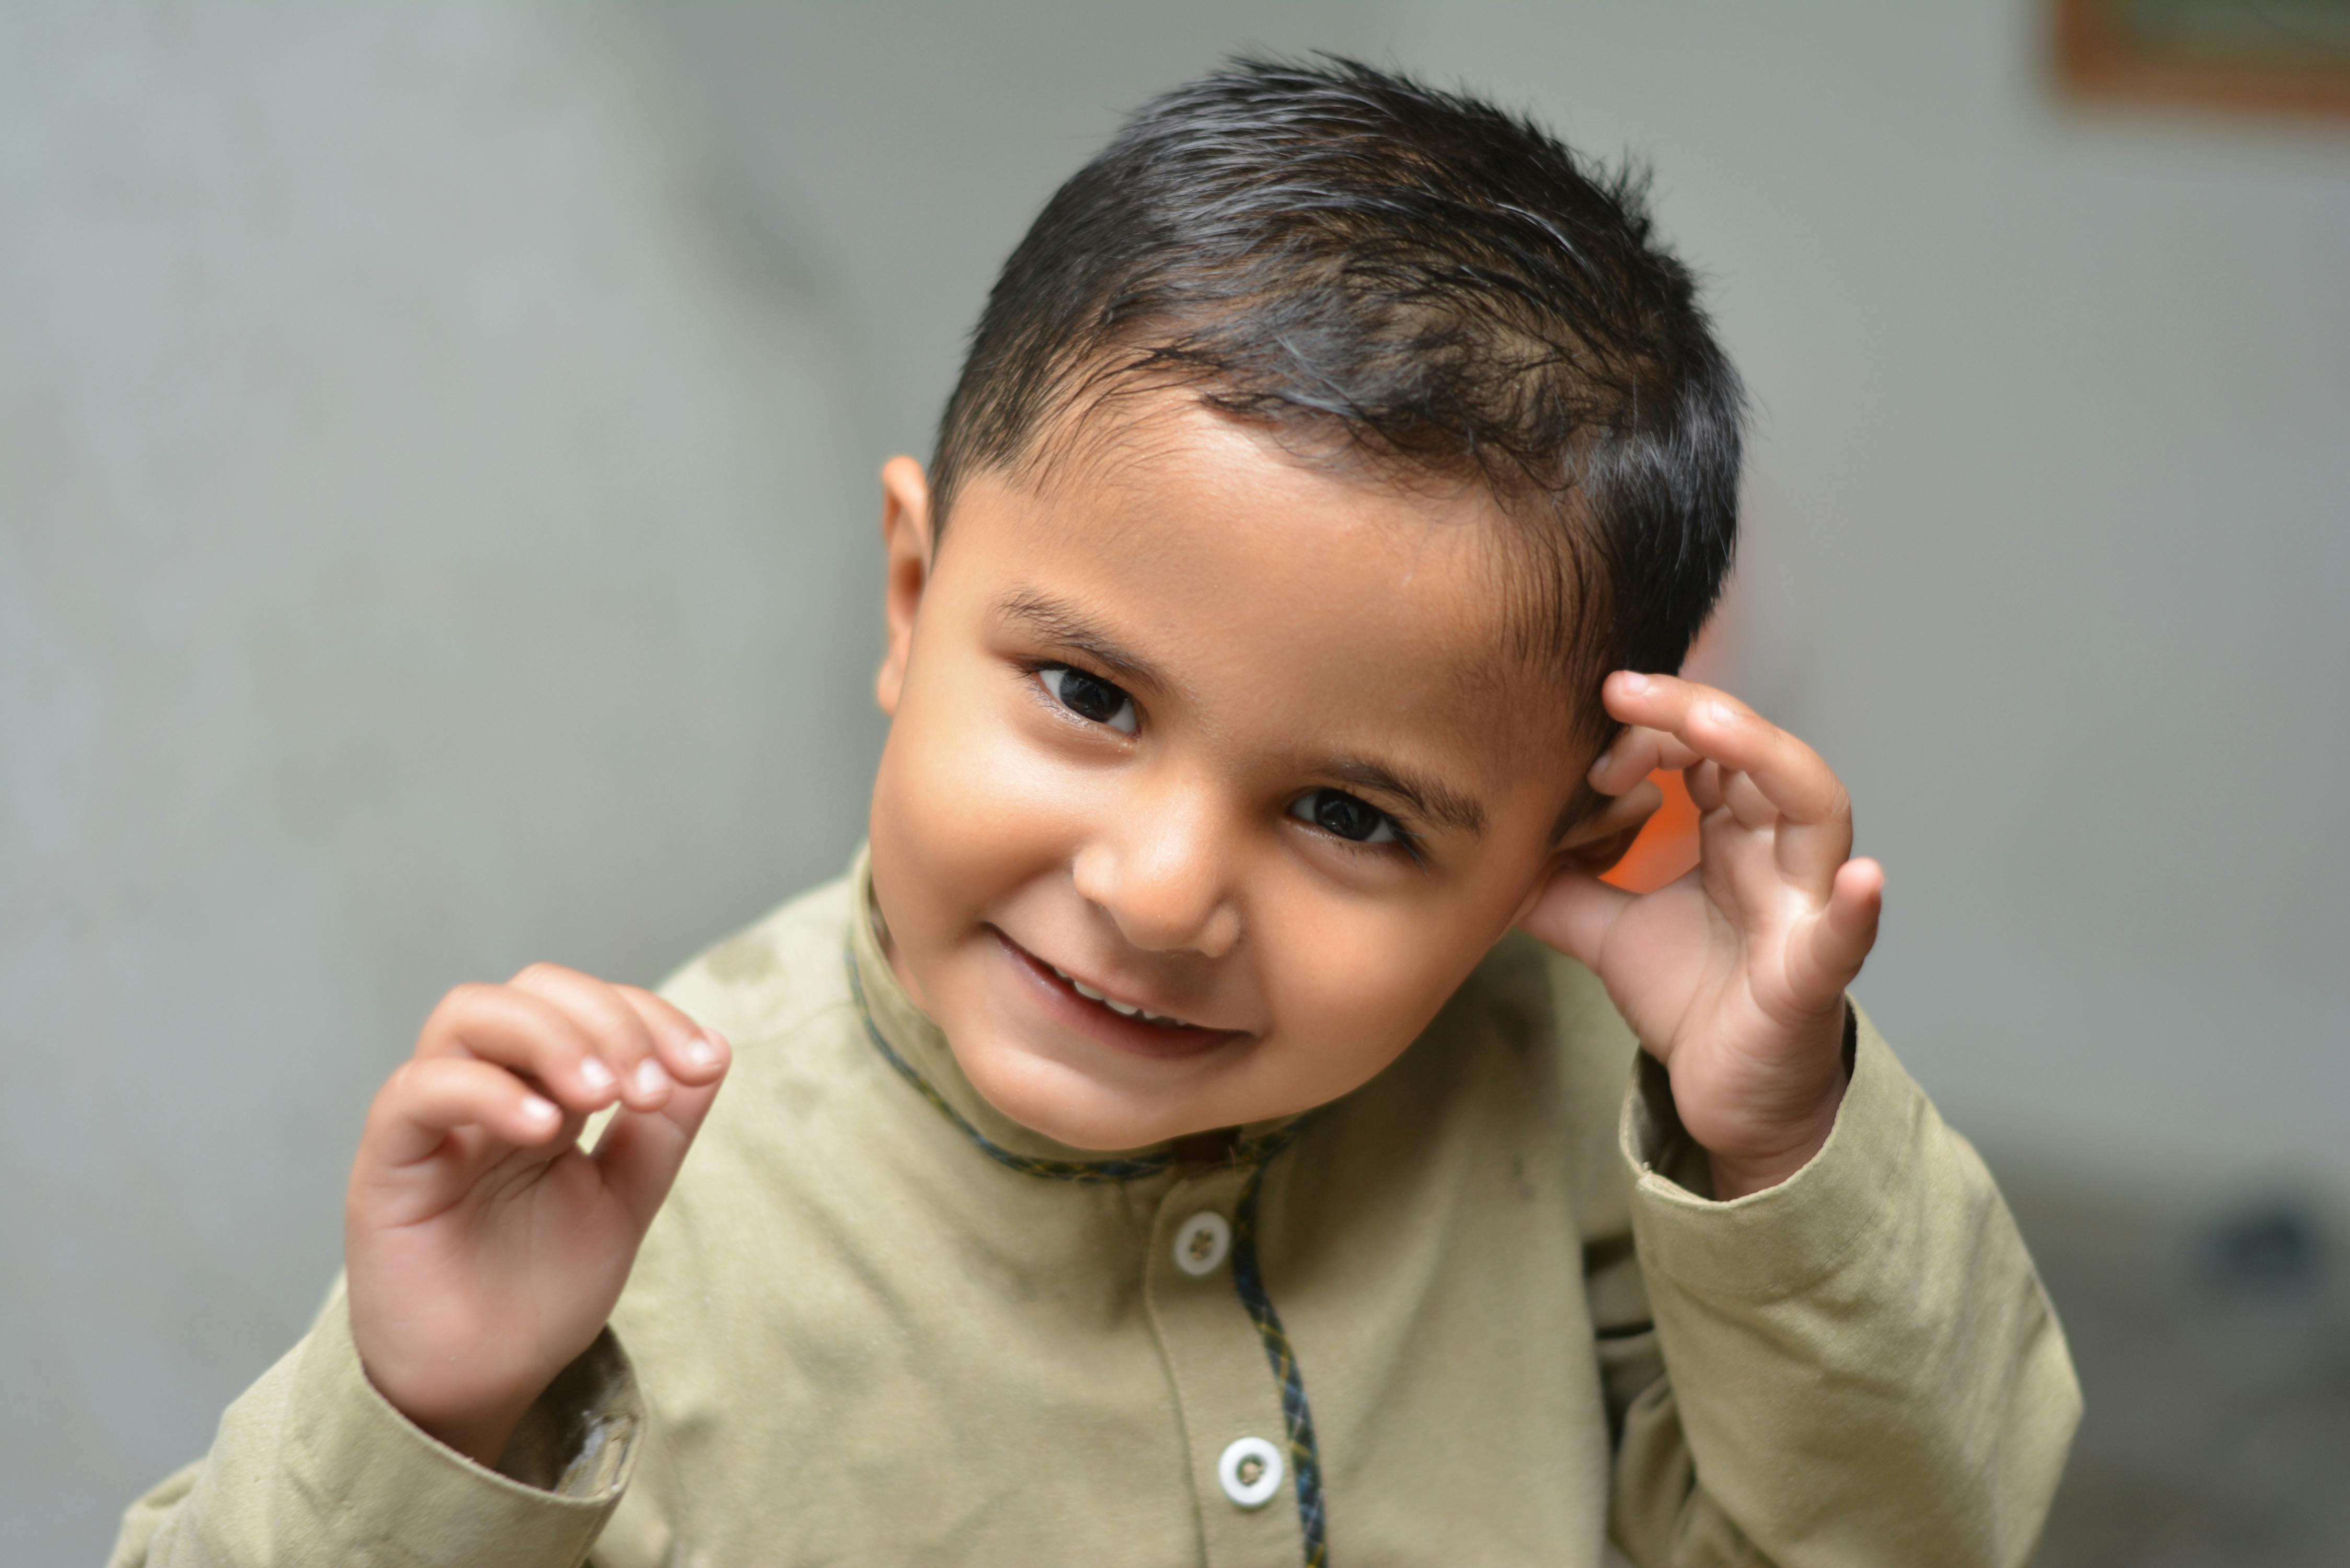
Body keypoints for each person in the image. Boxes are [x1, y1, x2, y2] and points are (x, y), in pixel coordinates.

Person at [113, 56, 2079, 1567]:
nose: (1154, 894)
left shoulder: (1583, 1117)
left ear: (1575, 846)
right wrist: (430, 1421)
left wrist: (1775, 1137)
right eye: (1087, 696)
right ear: (908, 596)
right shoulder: (621, 1208)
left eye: (1349, 812)